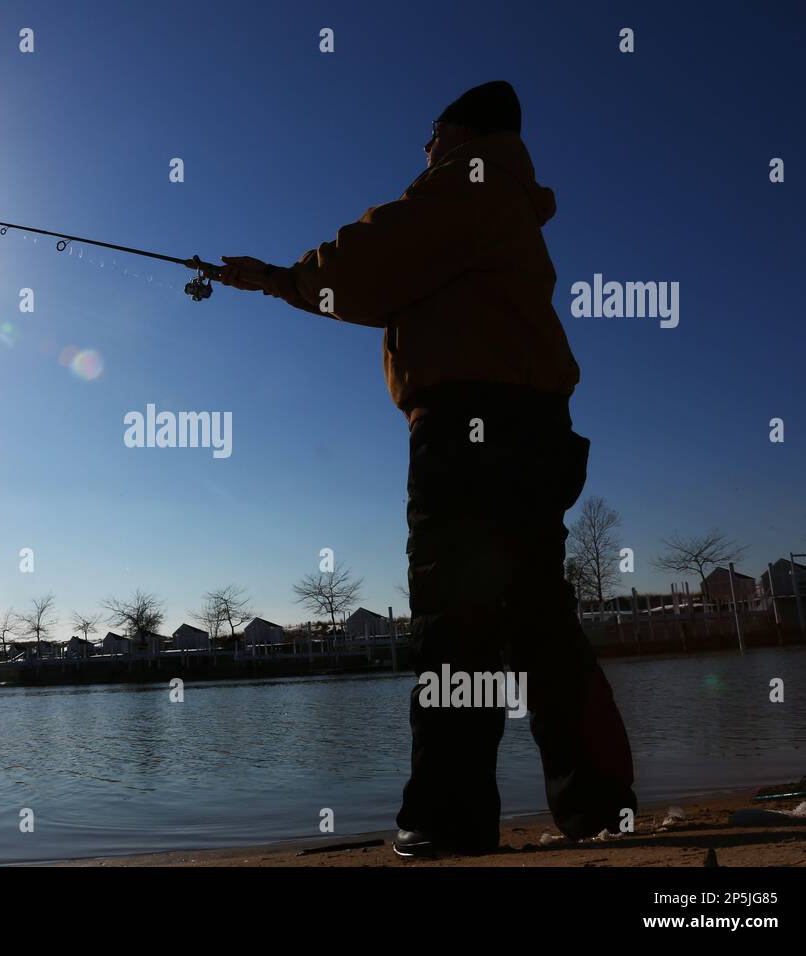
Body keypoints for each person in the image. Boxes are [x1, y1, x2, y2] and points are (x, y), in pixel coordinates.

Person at [218, 80, 637, 857]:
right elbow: (389, 279)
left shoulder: (467, 182)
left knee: (458, 621)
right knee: (539, 618)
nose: (423, 148)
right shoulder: (506, 200)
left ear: (456, 132)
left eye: (430, 133)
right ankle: (604, 808)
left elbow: (373, 264)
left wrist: (278, 279)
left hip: (471, 431)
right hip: (537, 428)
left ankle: (450, 820)